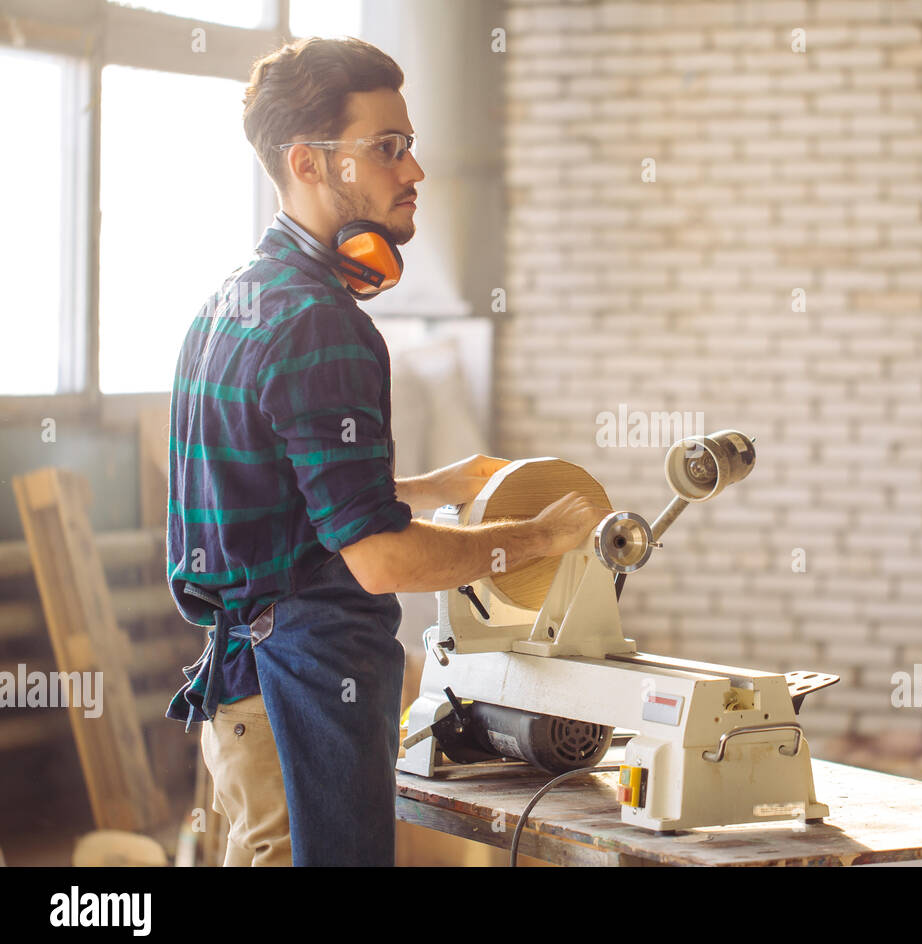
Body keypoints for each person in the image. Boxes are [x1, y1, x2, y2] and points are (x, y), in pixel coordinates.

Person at [164, 36, 605, 866]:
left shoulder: (231, 301)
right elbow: (382, 561)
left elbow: (276, 490)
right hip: (299, 690)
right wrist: (538, 540)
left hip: (244, 695)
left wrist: (424, 484)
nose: (415, 172)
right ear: (309, 162)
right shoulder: (323, 325)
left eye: (410, 146)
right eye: (387, 148)